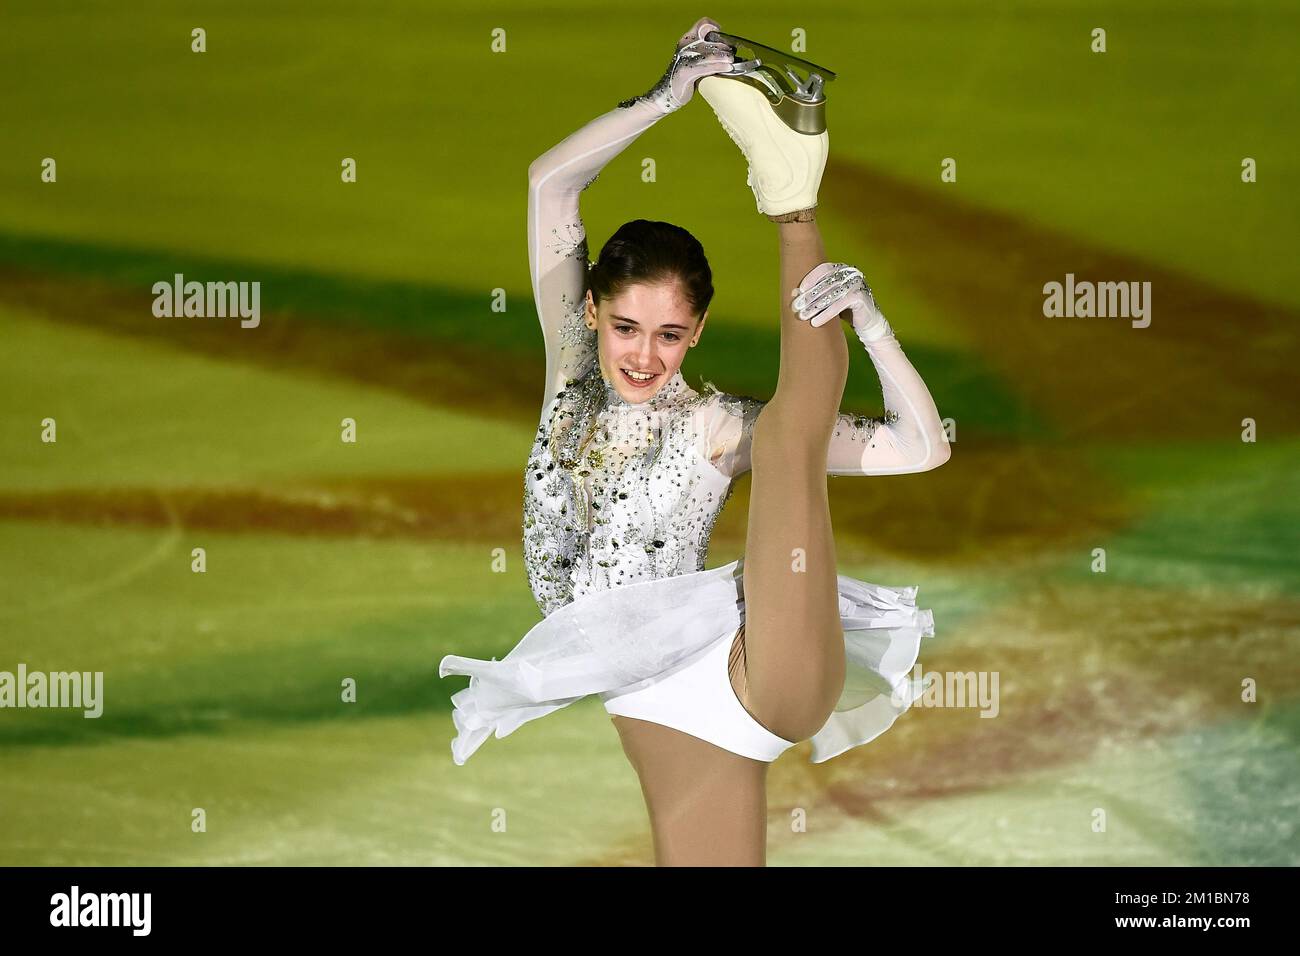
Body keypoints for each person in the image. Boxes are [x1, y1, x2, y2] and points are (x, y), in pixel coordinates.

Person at [439, 17, 951, 865]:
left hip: (762, 674)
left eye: (671, 335)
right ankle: (789, 170)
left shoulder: (716, 426)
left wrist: (873, 324)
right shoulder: (571, 371)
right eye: (629, 327)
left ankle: (792, 201)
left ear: (699, 329)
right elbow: (549, 189)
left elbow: (921, 448)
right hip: (672, 711)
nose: (644, 355)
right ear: (593, 312)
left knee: (787, 437)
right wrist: (663, 97)